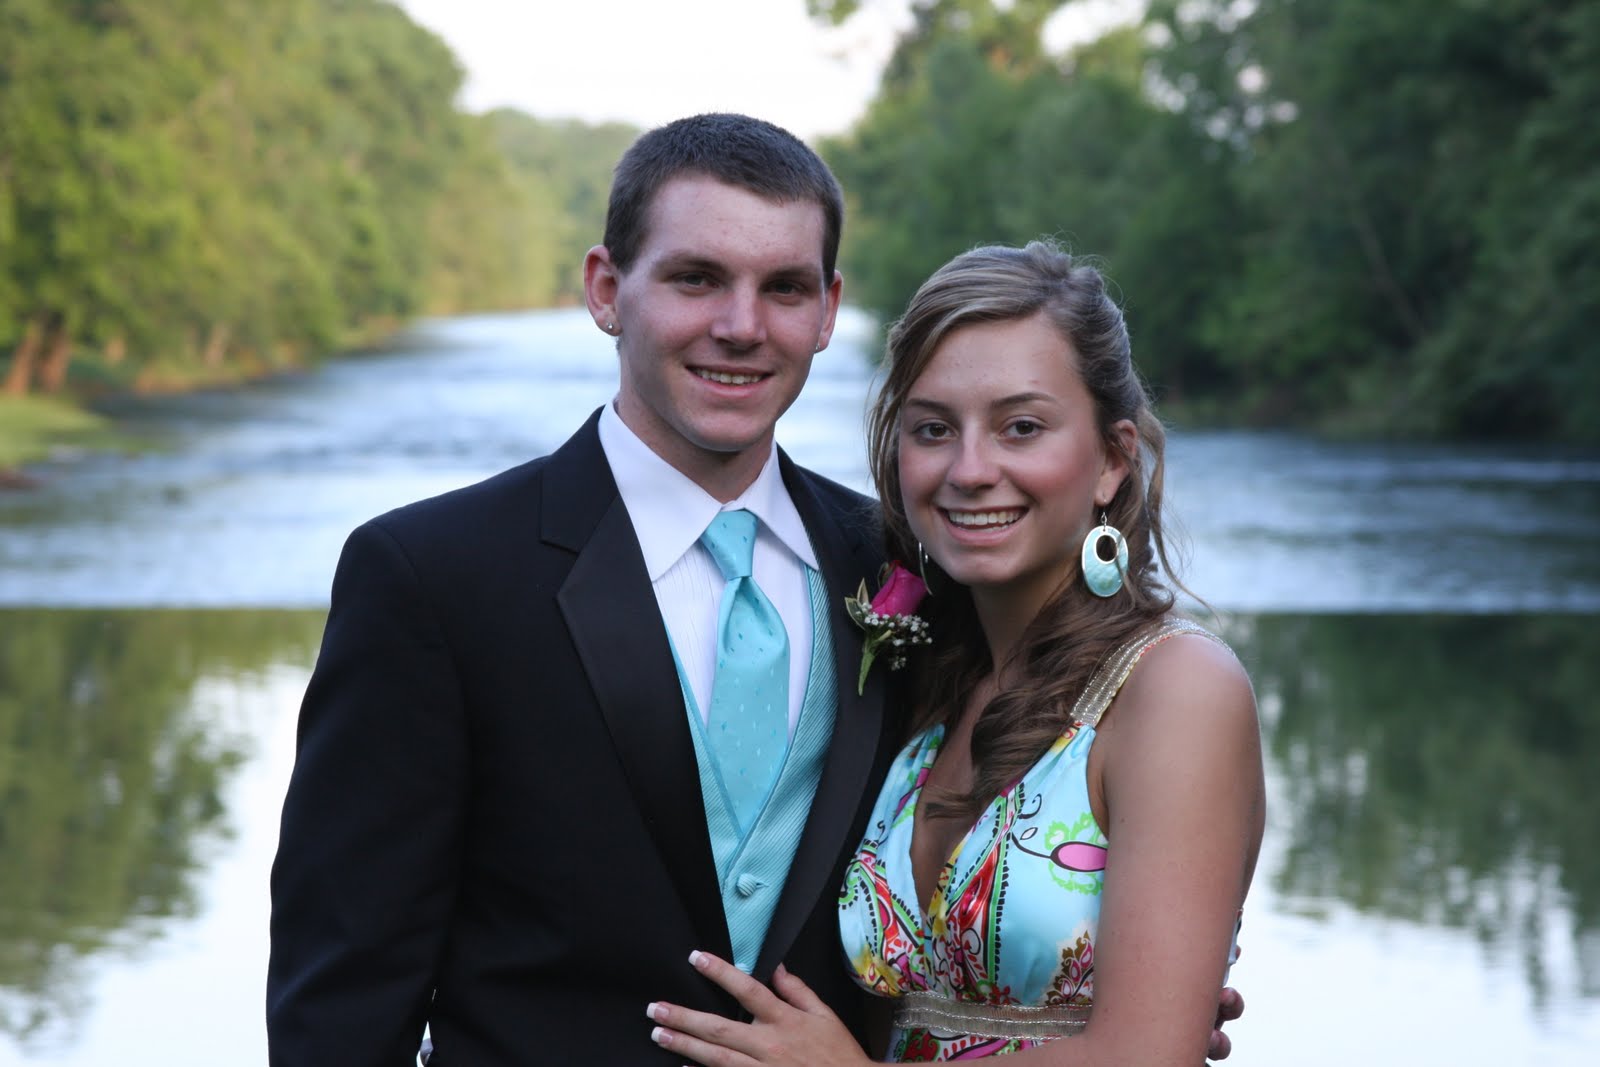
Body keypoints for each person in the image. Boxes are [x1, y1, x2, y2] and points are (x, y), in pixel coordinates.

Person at [267, 115, 1243, 1066]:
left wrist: (1108, 1007)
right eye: (696, 278)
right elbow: (344, 1000)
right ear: (606, 289)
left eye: (783, 287)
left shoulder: (904, 577)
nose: (740, 327)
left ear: (826, 310)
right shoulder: (433, 577)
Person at [641, 240, 1266, 1064]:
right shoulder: (922, 682)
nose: (970, 469)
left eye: (1021, 427)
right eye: (933, 429)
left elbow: (1146, 1054)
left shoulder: (1176, 688)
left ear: (1113, 461)